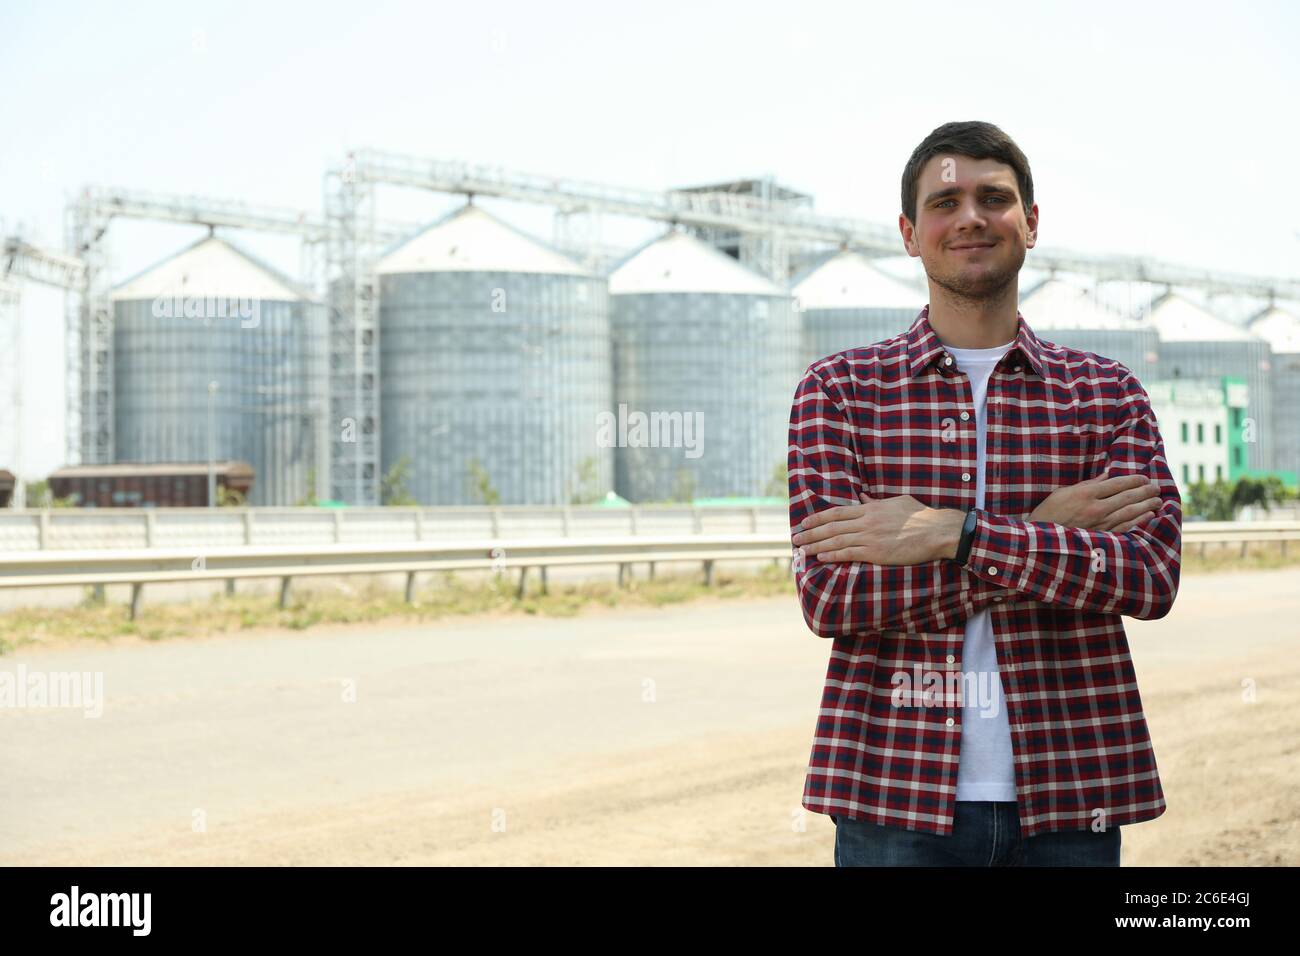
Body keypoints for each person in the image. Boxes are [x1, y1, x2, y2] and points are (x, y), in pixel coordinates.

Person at [787, 120, 1181, 867]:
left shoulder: (1105, 394)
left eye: (994, 198)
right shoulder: (840, 391)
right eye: (945, 202)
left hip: (1073, 789)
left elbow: (1150, 577)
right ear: (910, 232)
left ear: (1031, 223)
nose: (970, 217)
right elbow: (831, 598)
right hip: (891, 794)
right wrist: (1037, 532)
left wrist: (955, 533)